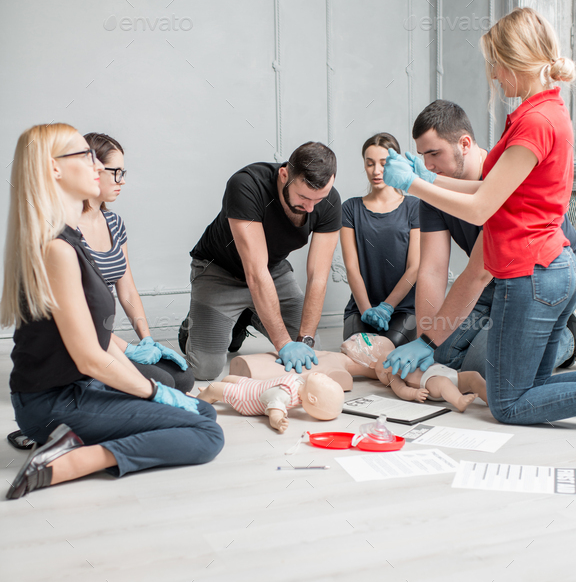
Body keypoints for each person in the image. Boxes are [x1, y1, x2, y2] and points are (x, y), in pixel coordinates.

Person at [380, 7, 576, 424]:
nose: (493, 75)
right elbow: (485, 190)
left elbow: (481, 207)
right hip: (553, 269)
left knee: (507, 405)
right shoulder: (545, 112)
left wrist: (412, 186)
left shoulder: (534, 122)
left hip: (533, 274)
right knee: (527, 387)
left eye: (495, 64)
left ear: (516, 61)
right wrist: (428, 180)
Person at [1, 124, 224, 500]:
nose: (96, 166)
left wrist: (145, 354)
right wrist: (154, 392)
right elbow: (90, 356)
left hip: (77, 389)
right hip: (52, 402)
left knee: (202, 413)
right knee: (207, 433)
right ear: (55, 169)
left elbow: (98, 344)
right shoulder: (57, 249)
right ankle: (65, 462)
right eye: (84, 156)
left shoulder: (72, 239)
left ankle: (70, 441)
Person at [402, 99, 576, 378]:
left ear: (464, 144)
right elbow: (432, 269)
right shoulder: (434, 192)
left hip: (539, 275)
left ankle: (569, 338)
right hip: (496, 276)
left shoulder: (502, 173)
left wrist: (428, 341)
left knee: (484, 367)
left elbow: (477, 274)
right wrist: (425, 340)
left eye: (434, 154)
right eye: (422, 155)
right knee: (444, 355)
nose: (427, 165)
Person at [180, 142, 342, 380]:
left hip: (273, 271)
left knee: (309, 350)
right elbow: (254, 273)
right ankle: (191, 330)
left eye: (318, 200)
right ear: (284, 174)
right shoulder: (246, 185)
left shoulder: (327, 201)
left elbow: (318, 277)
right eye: (303, 197)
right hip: (220, 272)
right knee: (205, 369)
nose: (310, 208)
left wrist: (304, 340)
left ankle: (247, 315)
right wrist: (284, 345)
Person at [79, 133, 193, 393]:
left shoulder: (115, 224)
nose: (123, 180)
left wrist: (147, 340)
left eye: (124, 172)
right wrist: (127, 349)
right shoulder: (68, 231)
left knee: (184, 378)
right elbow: (80, 316)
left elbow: (127, 289)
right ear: (93, 171)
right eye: (116, 172)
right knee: (162, 382)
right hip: (84, 340)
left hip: (107, 338)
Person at [340, 133, 420, 345]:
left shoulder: (413, 207)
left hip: (403, 309)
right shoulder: (350, 208)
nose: (376, 171)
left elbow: (414, 267)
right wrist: (367, 310)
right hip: (361, 307)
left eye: (383, 164)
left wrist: (387, 307)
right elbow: (351, 268)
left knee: (387, 348)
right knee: (360, 350)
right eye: (369, 164)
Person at [197, 371, 344, 433]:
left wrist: (279, 422)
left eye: (326, 381)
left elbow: (275, 413)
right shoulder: (301, 384)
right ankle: (213, 396)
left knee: (213, 387)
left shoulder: (283, 395)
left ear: (312, 398)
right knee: (228, 378)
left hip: (246, 398)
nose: (324, 376)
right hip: (253, 385)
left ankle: (198, 401)